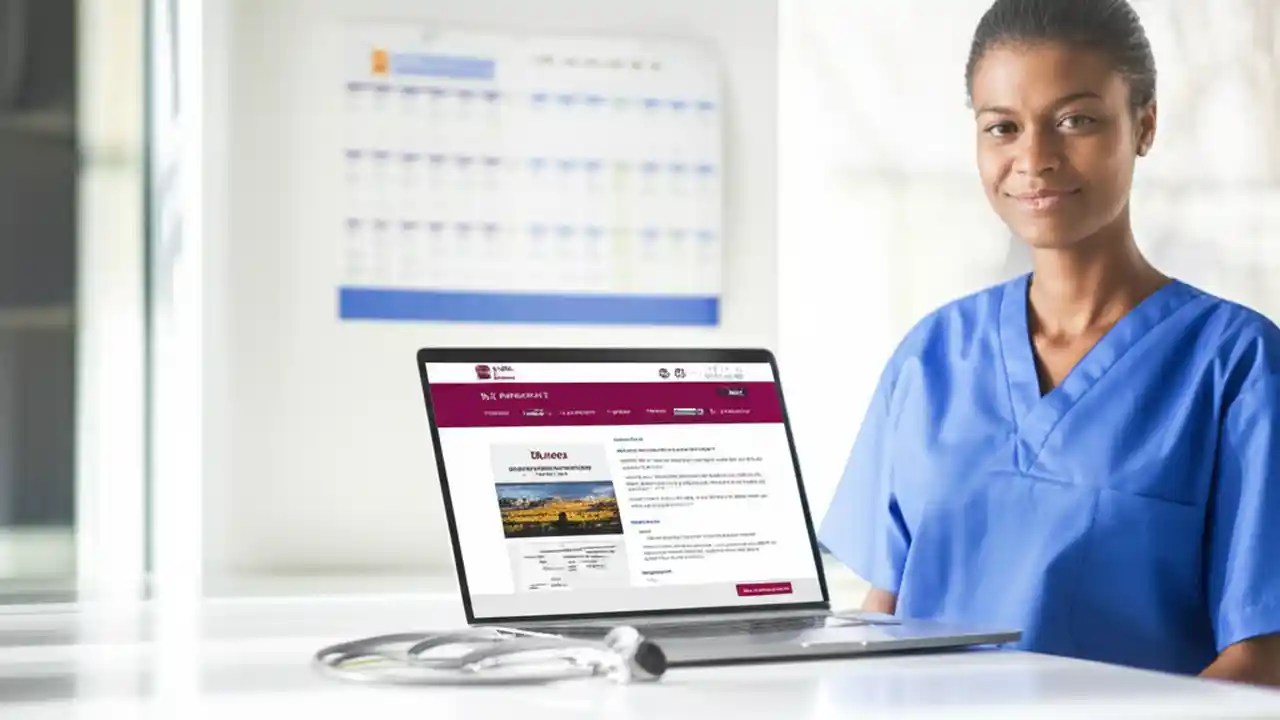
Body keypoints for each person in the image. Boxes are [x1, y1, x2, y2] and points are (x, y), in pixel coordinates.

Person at [819, 0, 1280, 685]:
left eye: (1076, 120)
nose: (1033, 158)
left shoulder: (1236, 366)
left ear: (1144, 124)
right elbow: (882, 617)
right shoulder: (932, 355)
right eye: (1001, 127)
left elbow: (1262, 658)